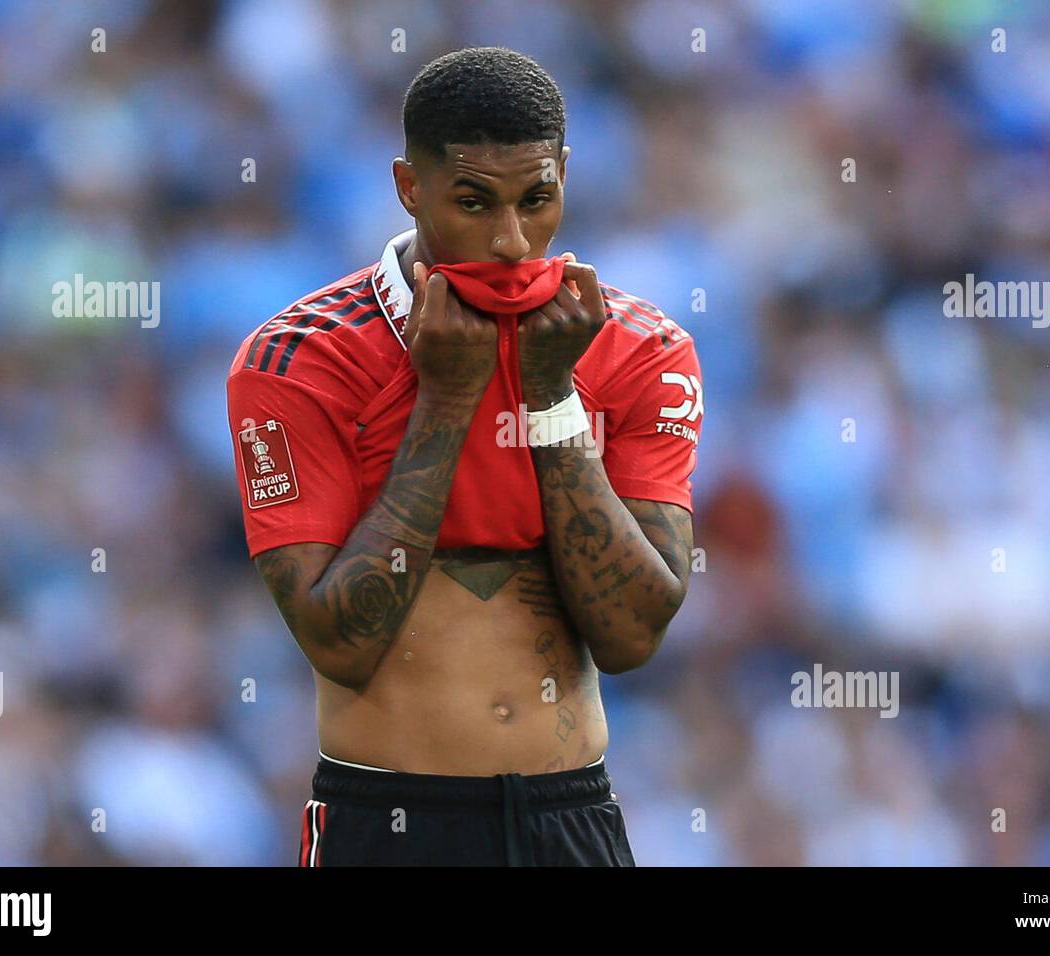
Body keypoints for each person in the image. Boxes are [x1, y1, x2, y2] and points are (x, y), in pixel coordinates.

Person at [226, 46, 703, 866]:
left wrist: (551, 397)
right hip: (389, 822)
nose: (513, 242)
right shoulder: (299, 359)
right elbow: (340, 642)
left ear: (565, 175)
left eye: (538, 199)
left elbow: (631, 635)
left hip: (570, 817)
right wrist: (445, 400)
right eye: (474, 203)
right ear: (411, 188)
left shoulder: (640, 349)